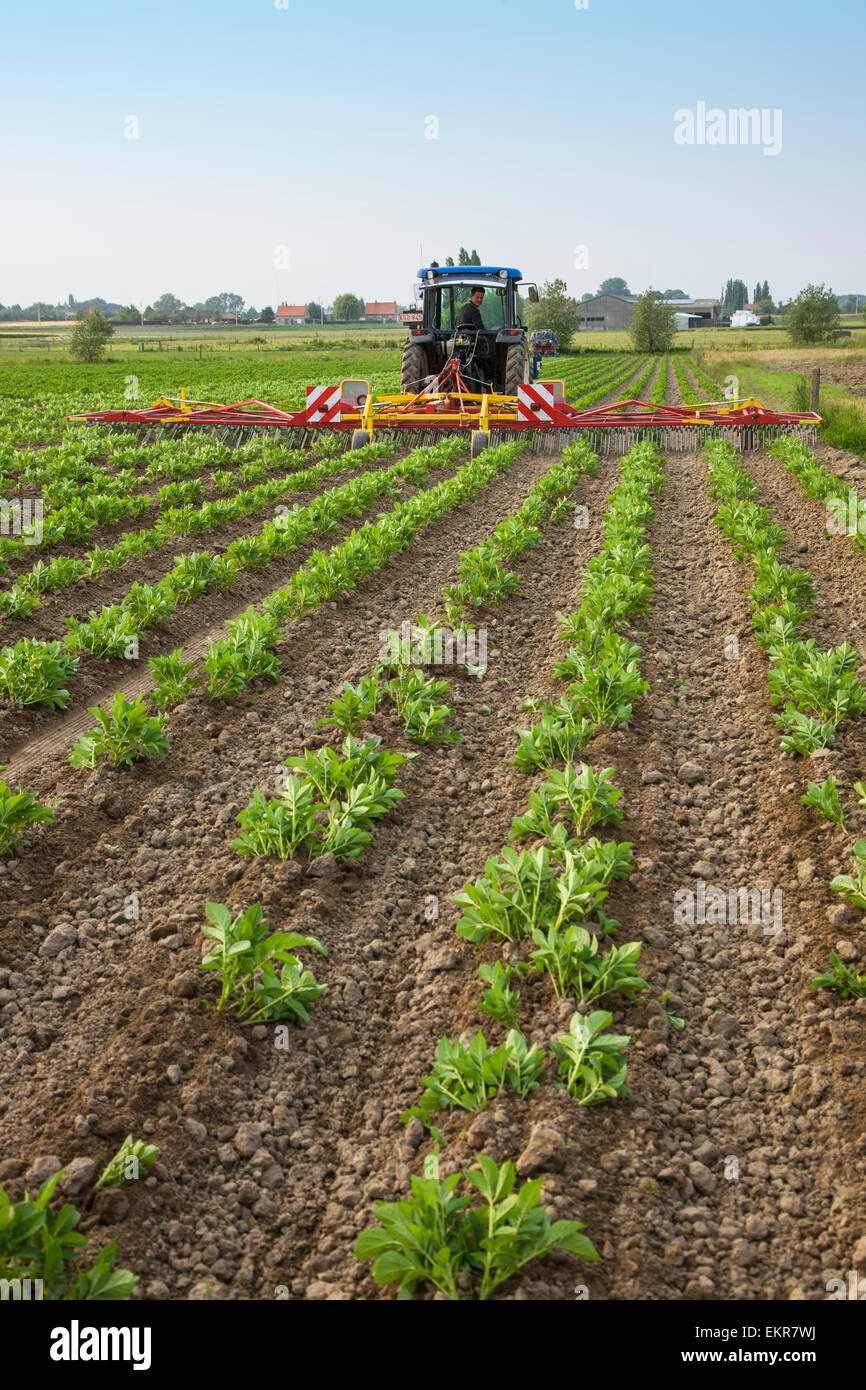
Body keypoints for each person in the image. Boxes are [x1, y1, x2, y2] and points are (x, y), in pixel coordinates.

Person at [457, 287, 491, 388]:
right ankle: (489, 379)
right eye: (477, 297)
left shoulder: (464, 308)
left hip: (463, 338)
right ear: (471, 296)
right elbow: (480, 328)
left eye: (481, 298)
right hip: (471, 340)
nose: (479, 300)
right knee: (486, 356)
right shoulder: (474, 311)